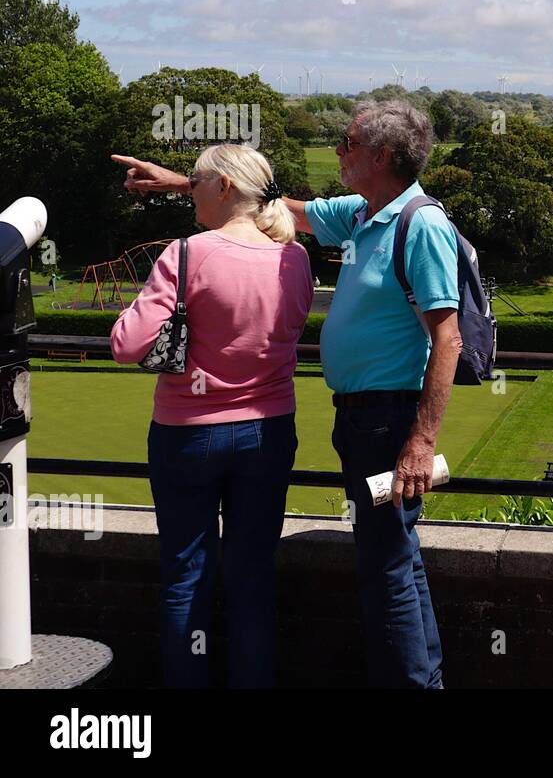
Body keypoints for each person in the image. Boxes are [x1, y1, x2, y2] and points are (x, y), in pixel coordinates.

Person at [115, 100, 461, 688]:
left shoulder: (420, 223)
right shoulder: (362, 213)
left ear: (381, 156)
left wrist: (421, 442)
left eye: (347, 144)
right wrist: (188, 182)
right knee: (389, 558)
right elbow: (279, 208)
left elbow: (446, 337)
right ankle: (424, 681)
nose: (338, 153)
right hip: (335, 422)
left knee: (386, 566)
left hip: (388, 422)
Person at [109, 143, 313, 688]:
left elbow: (128, 345)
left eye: (196, 181)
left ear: (223, 186)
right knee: (251, 579)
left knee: (186, 580)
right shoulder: (294, 259)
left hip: (187, 435)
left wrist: (142, 301)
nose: (191, 190)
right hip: (268, 431)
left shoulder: (185, 254)